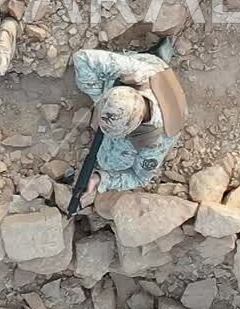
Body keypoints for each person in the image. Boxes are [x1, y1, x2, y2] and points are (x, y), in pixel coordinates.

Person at [71, 37, 187, 205]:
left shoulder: (156, 141)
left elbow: (139, 178)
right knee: (86, 79)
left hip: (166, 99)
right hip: (149, 68)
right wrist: (100, 104)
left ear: (134, 127)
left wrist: (99, 178)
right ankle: (157, 55)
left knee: (108, 161)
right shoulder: (134, 72)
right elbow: (81, 58)